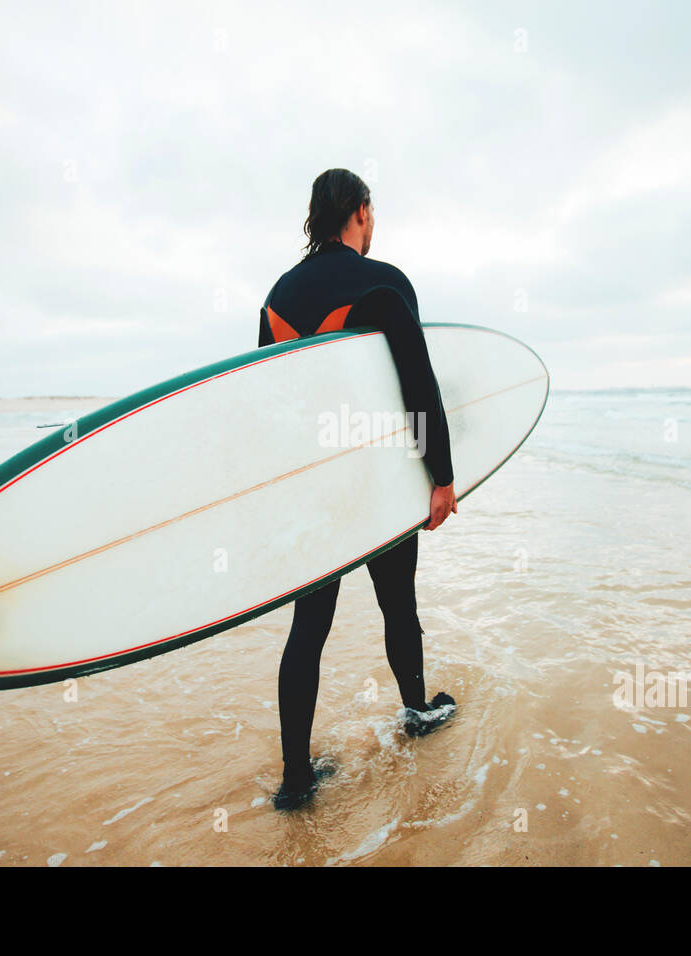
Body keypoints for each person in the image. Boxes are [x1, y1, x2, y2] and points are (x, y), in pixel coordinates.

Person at [259, 168, 458, 811]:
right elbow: (418, 389)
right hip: (376, 480)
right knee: (398, 603)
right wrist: (442, 479)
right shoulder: (385, 282)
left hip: (316, 487)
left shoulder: (277, 298)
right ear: (362, 213)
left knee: (308, 627)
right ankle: (417, 712)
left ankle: (295, 779)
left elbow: (271, 403)